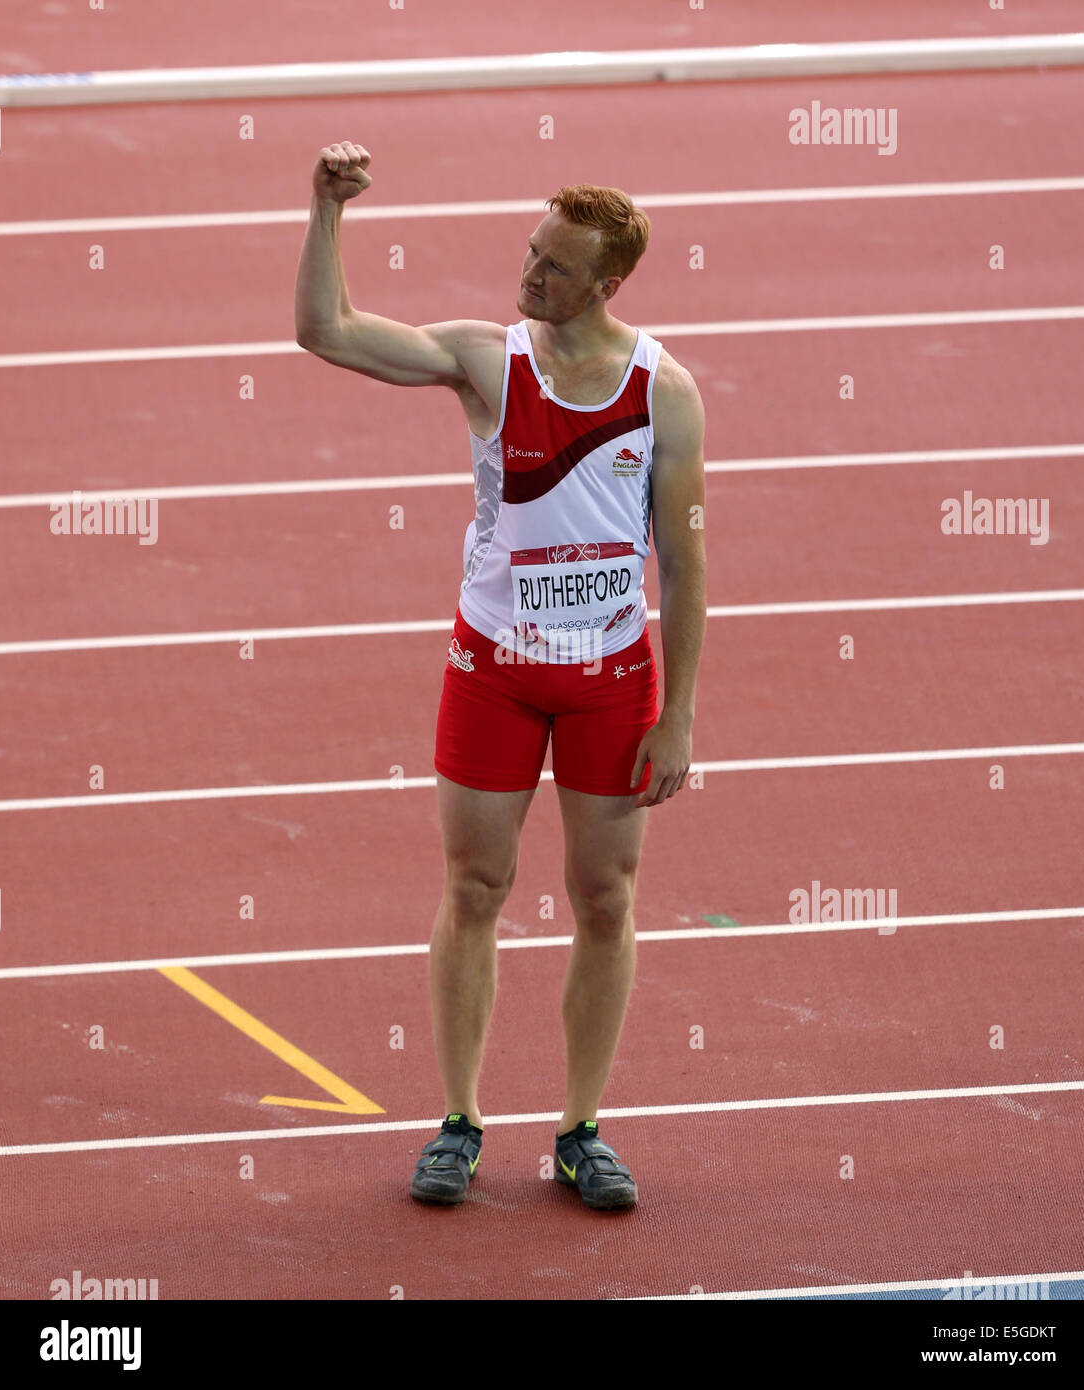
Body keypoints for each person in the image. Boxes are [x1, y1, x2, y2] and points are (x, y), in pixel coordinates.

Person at [295, 142, 706, 1210]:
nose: (529, 274)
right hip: (494, 670)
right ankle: (459, 1120)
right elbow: (327, 331)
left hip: (611, 678)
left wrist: (679, 716)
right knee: (475, 887)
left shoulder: (663, 393)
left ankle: (580, 1130)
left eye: (554, 266)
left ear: (607, 284)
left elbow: (685, 560)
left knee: (605, 898)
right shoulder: (487, 361)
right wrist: (327, 210)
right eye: (530, 251)